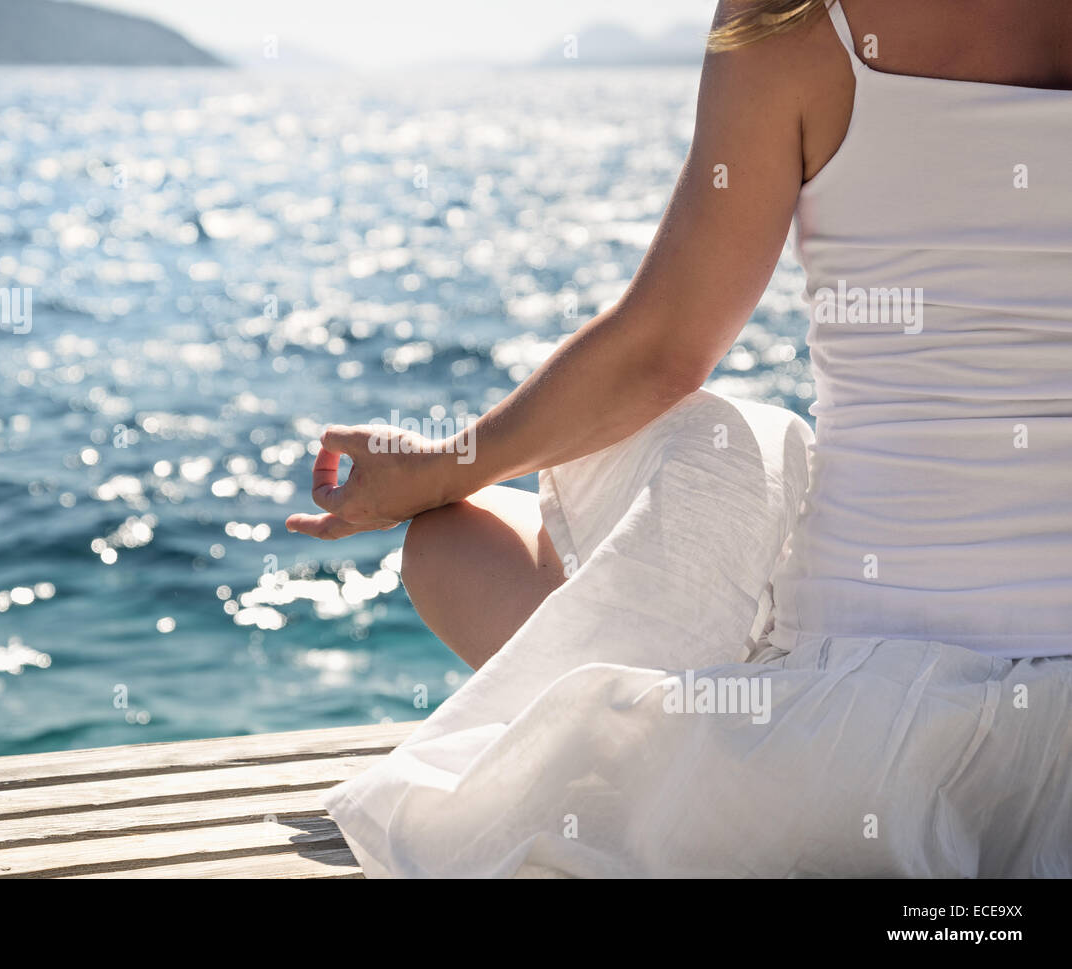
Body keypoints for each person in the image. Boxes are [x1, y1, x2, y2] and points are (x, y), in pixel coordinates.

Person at [286, 0, 1072, 877]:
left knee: (451, 539)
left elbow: (662, 354)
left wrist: (438, 466)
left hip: (853, 718)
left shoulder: (797, 20)